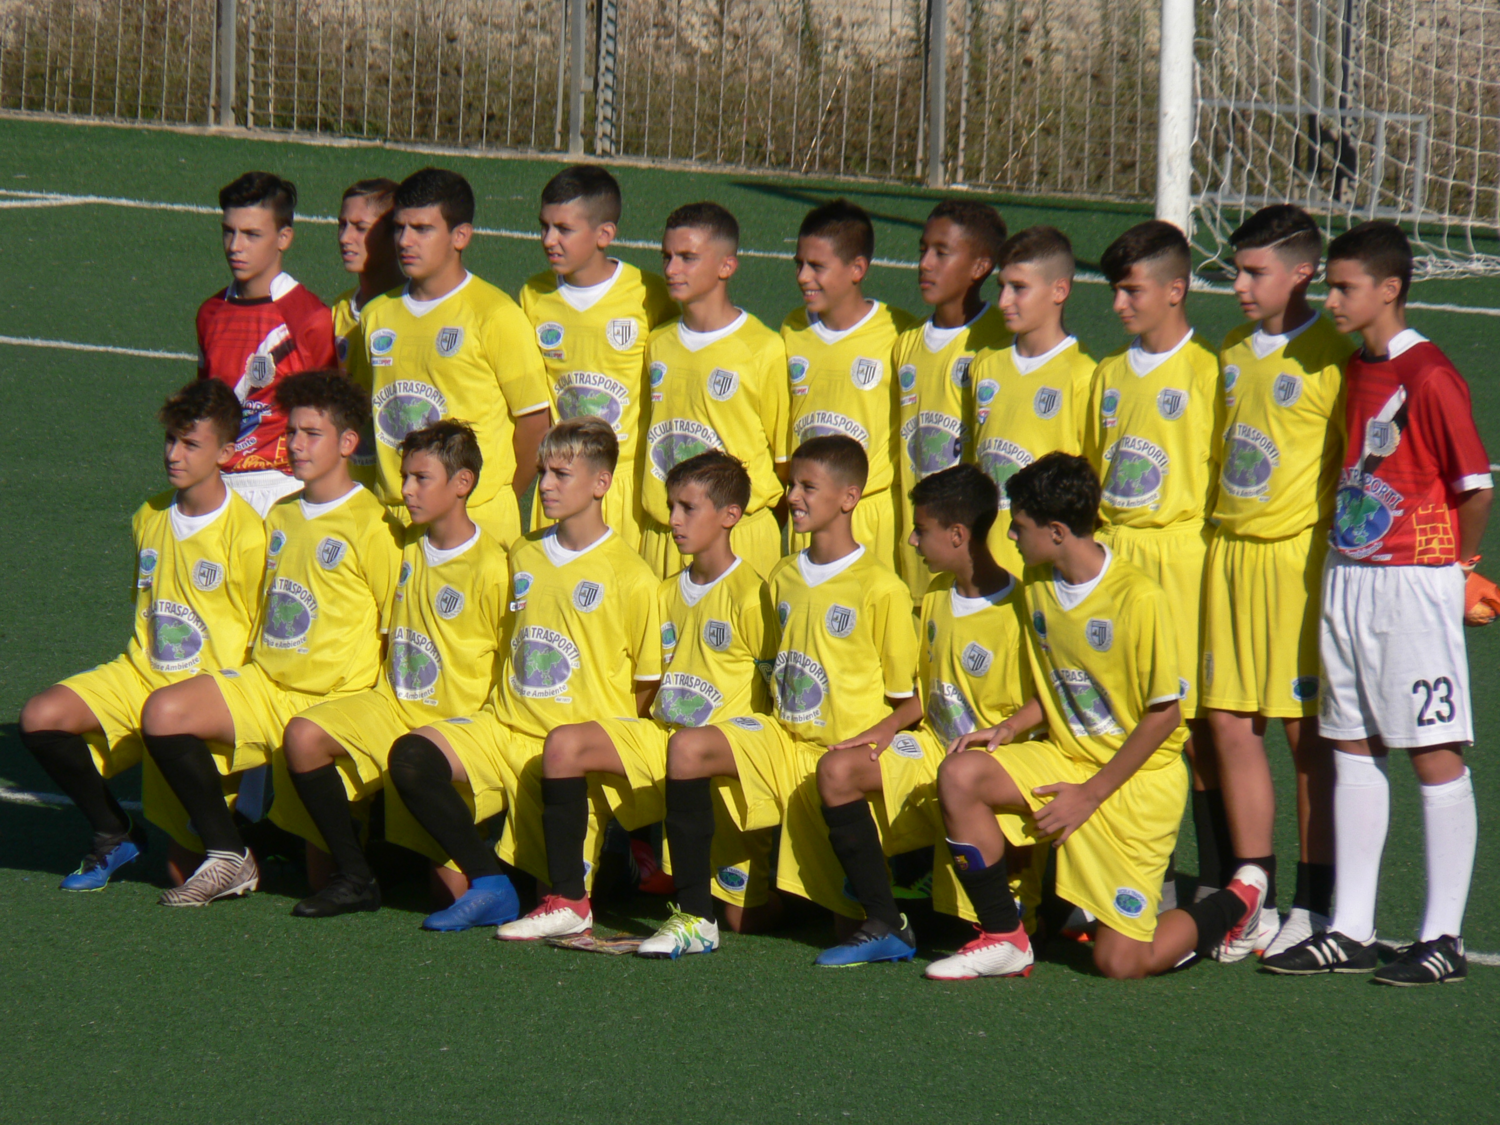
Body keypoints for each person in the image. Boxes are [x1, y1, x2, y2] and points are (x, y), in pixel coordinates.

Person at [933, 452, 1266, 980]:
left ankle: (1238, 901)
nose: (1012, 537)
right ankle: (1005, 937)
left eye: (1020, 526)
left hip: (1134, 785)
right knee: (960, 774)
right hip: (1065, 759)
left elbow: (1161, 716)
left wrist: (1090, 795)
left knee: (1120, 961)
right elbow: (1066, 682)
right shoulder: (1039, 580)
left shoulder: (1139, 599)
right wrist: (1012, 726)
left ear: (1058, 531)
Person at [1264, 222, 1490, 985]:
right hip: (1349, 574)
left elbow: (1474, 486)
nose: (1329, 299)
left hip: (1412, 583)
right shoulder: (1356, 367)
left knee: (1431, 749)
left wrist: (1460, 567)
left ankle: (1443, 936)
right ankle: (1352, 926)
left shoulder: (1430, 374)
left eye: (1343, 287)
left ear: (1389, 289)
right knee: (1351, 743)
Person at [382, 418, 661, 933]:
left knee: (553, 899)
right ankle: (492, 881)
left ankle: (618, 859)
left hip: (566, 757)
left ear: (601, 483)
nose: (546, 486)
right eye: (543, 473)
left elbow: (646, 684)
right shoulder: (523, 553)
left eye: (561, 474)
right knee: (412, 757)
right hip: (501, 730)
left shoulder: (633, 576)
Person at [138, 372, 402, 905]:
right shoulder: (279, 513)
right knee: (163, 713)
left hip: (329, 701)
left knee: (318, 879)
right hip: (265, 685)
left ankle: (359, 868)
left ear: (348, 444)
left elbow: (394, 627)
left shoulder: (374, 524)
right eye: (293, 432)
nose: (295, 445)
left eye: (311, 434)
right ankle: (229, 853)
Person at [497, 451, 778, 951]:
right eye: (671, 506)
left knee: (745, 920)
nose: (672, 520)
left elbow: (774, 693)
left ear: (730, 516)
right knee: (563, 745)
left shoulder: (754, 596)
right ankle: (570, 903)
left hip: (725, 754)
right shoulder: (663, 590)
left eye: (688, 508)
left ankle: (782, 883)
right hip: (663, 739)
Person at [663, 436, 920, 962]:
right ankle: (693, 916)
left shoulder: (882, 586)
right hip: (781, 741)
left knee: (836, 924)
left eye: (808, 487)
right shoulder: (781, 575)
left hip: (840, 756)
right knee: (688, 749)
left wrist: (883, 733)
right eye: (791, 485)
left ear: (849, 498)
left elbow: (909, 699)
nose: (794, 497)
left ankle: (889, 915)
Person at [16, 381, 264, 891]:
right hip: (140, 673)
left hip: (203, 694)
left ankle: (243, 845)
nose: (174, 454)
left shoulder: (251, 533)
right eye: (170, 440)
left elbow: (259, 634)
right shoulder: (148, 517)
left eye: (191, 444)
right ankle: (114, 833)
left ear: (227, 452)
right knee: (41, 718)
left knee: (177, 870)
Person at [269, 421, 508, 918]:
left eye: (421, 478)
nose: (405, 490)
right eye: (404, 477)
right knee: (304, 736)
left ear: (462, 484)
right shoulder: (400, 546)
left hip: (451, 731)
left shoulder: (495, 567)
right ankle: (357, 877)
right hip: (391, 709)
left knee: (449, 896)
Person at [1202, 204, 1354, 961]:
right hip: (1228, 556)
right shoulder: (1230, 349)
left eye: (1254, 271)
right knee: (1229, 723)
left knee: (1305, 738)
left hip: (1295, 562)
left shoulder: (1332, 356)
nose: (1239, 285)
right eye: (1237, 269)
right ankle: (1251, 887)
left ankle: (1315, 900)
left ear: (1302, 273)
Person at [813, 463, 1040, 958]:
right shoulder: (936, 595)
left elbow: (1051, 700)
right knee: (837, 768)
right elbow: (926, 688)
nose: (913, 543)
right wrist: (888, 726)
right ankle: (884, 923)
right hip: (934, 747)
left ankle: (1015, 915)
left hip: (993, 764)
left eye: (921, 530)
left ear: (958, 535)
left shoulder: (1023, 607)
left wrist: (1005, 730)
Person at [1087, 219, 1229, 920]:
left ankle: (1226, 877)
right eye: (1115, 290)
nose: (1119, 304)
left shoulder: (1209, 372)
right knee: (1121, 708)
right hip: (1119, 556)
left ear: (1176, 290)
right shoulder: (1108, 373)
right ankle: (1148, 866)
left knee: (1189, 718)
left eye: (1131, 289)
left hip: (1179, 558)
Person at [363, 166, 551, 548]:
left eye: (423, 228)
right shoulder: (375, 315)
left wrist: (495, 497)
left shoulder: (495, 315)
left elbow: (535, 422)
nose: (405, 240)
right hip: (392, 518)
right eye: (400, 227)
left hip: (473, 518)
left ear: (460, 236)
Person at [520, 164, 675, 543]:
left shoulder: (648, 295)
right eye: (545, 226)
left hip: (624, 482)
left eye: (564, 229)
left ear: (604, 234)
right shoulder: (533, 296)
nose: (549, 239)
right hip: (559, 478)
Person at [638, 202, 788, 580]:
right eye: (667, 257)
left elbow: (785, 461)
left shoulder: (763, 349)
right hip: (663, 535)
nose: (671, 270)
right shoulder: (657, 343)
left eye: (688, 258)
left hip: (738, 537)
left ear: (726, 266)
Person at [196, 170, 337, 516]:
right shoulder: (210, 313)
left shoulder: (309, 317)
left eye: (251, 235)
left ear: (283, 237)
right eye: (228, 232)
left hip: (282, 487)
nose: (235, 247)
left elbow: (331, 415)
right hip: (219, 485)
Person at [782, 199, 913, 571]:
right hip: (806, 513)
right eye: (799, 263)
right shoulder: (792, 329)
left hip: (869, 516)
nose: (803, 276)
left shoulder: (898, 333)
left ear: (857, 268)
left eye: (817, 266)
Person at [892, 201, 1010, 602]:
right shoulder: (905, 344)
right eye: (922, 250)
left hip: (978, 558)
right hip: (917, 554)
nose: (925, 263)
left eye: (942, 253)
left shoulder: (1000, 343)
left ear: (980, 266)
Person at [970, 226, 1096, 577]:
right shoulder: (985, 365)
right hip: (984, 563)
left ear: (1060, 290)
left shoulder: (1084, 376)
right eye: (1002, 287)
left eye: (1019, 288)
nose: (1003, 301)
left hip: (1042, 571)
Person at [331, 177, 403, 488]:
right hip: (350, 487)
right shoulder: (337, 312)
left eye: (360, 228)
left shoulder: (412, 310)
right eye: (342, 224)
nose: (345, 237)